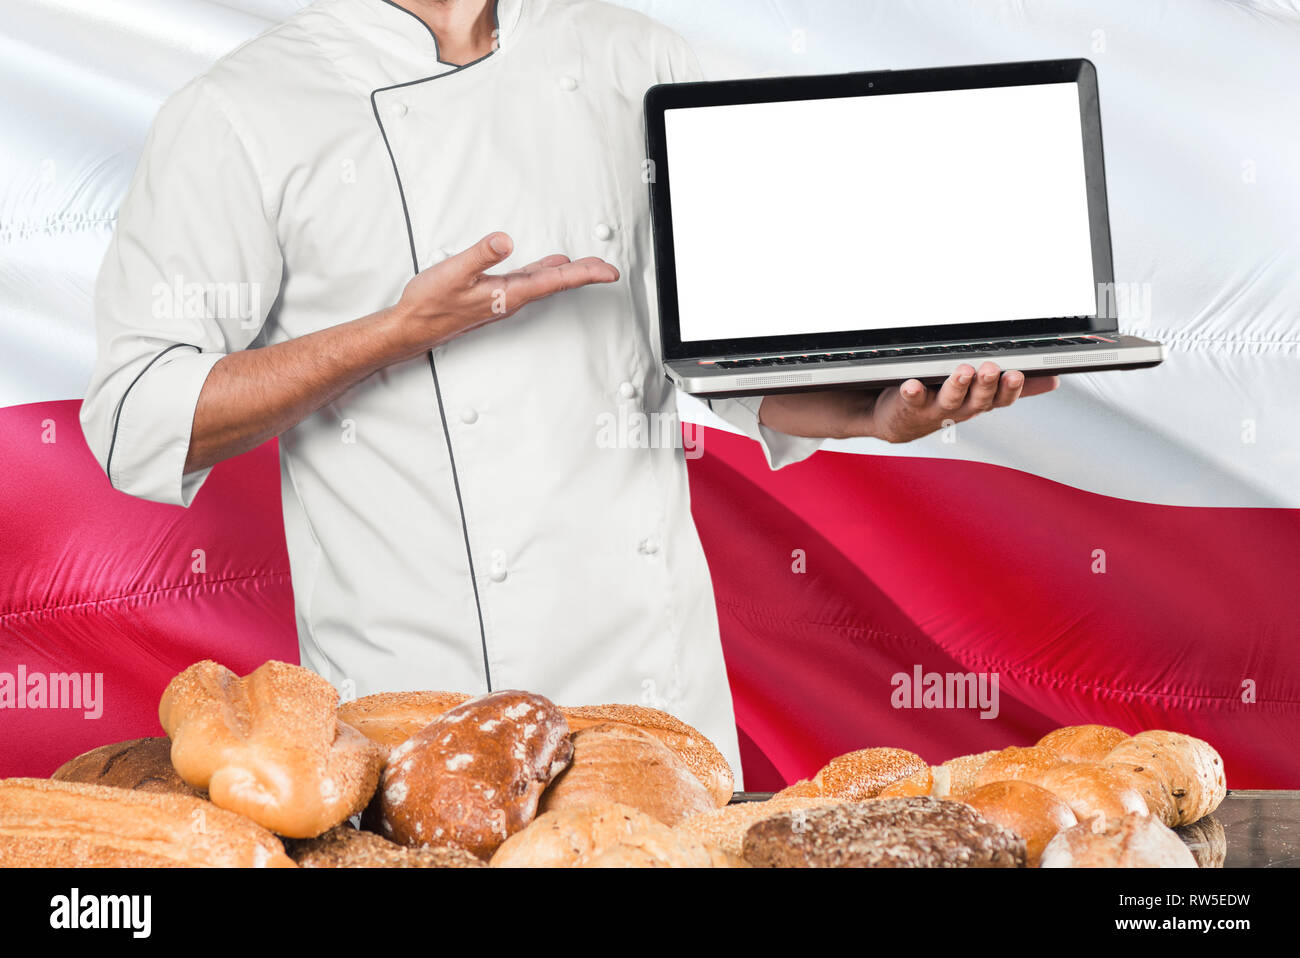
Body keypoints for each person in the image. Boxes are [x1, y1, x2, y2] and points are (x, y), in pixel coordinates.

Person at [80, 0, 1056, 781]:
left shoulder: (636, 57)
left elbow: (719, 350)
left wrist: (878, 411)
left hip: (658, 711)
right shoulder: (243, 109)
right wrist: (394, 333)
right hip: (416, 730)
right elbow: (137, 416)